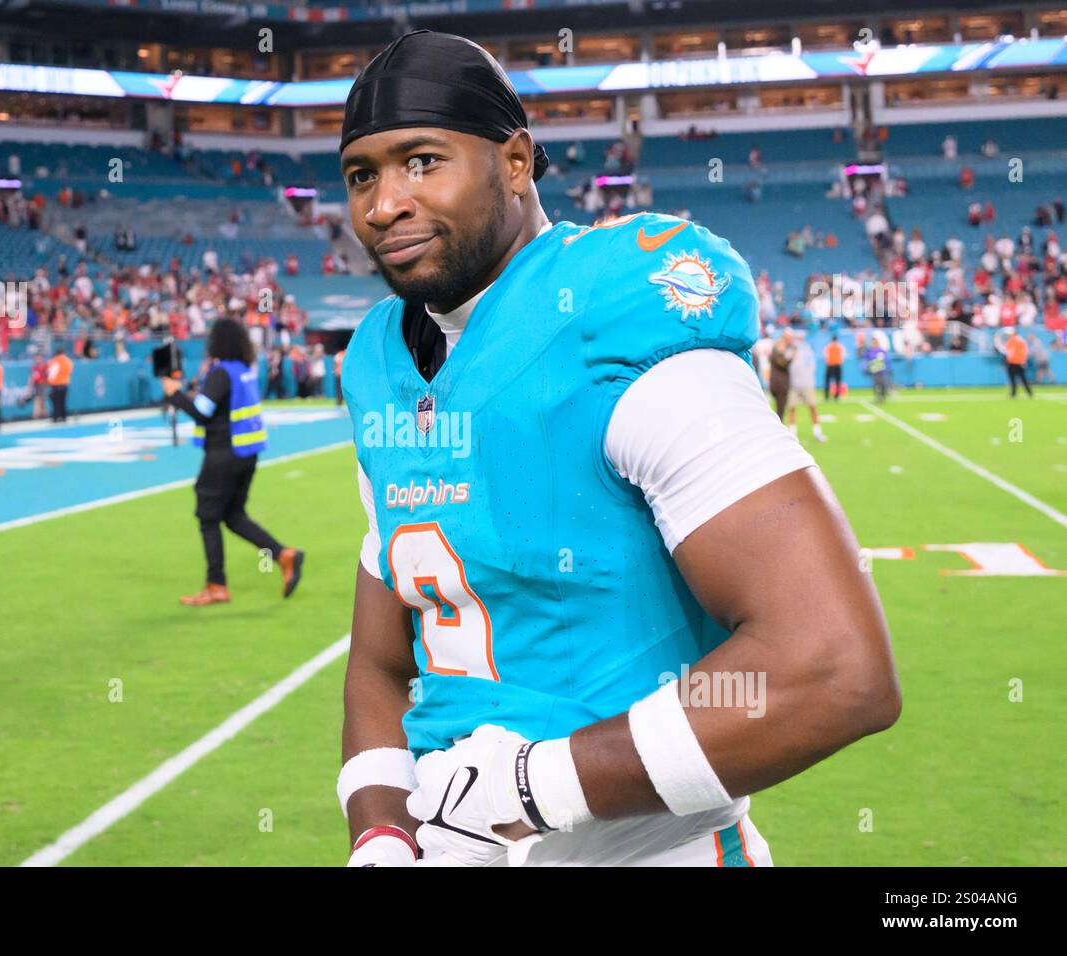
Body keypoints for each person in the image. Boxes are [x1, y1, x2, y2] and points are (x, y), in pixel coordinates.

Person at [334, 30, 899, 869]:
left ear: (516, 162)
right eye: (361, 175)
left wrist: (533, 785)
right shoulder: (378, 360)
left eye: (421, 161)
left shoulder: (613, 314)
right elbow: (382, 662)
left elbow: (832, 665)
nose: (384, 205)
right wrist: (380, 831)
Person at [160, 318, 305, 607]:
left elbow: (202, 412)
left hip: (222, 455)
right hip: (246, 454)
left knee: (208, 518)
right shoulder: (244, 371)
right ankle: (283, 554)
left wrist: (174, 394)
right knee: (234, 515)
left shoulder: (221, 373)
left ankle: (216, 585)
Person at [786, 332, 827, 442]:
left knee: (812, 407)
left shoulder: (808, 349)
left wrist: (808, 380)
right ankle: (792, 434)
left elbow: (811, 366)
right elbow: (786, 363)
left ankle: (817, 432)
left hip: (806, 384)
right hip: (793, 384)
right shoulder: (790, 350)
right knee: (792, 408)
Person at [768, 328, 794, 421]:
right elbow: (782, 363)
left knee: (780, 410)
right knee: (780, 411)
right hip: (780, 383)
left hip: (776, 382)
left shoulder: (778, 347)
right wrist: (791, 358)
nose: (791, 341)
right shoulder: (780, 348)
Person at [1003, 329, 1033, 398]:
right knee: (1023, 378)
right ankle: (1029, 392)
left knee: (1012, 379)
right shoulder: (1022, 341)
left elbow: (1009, 352)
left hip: (1012, 362)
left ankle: (1014, 393)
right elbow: (1026, 352)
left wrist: (1006, 360)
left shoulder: (1011, 341)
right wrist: (1024, 361)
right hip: (1021, 362)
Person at [47, 348, 73, 422]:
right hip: (65, 384)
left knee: (56, 402)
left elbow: (51, 373)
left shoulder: (55, 361)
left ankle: (55, 417)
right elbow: (70, 371)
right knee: (63, 401)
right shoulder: (68, 360)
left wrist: (49, 381)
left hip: (56, 384)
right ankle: (64, 417)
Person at [823, 335, 845, 401]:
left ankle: (826, 396)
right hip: (837, 365)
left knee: (827, 381)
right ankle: (836, 396)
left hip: (830, 365)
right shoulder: (840, 346)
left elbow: (825, 355)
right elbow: (843, 356)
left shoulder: (828, 346)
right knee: (838, 381)